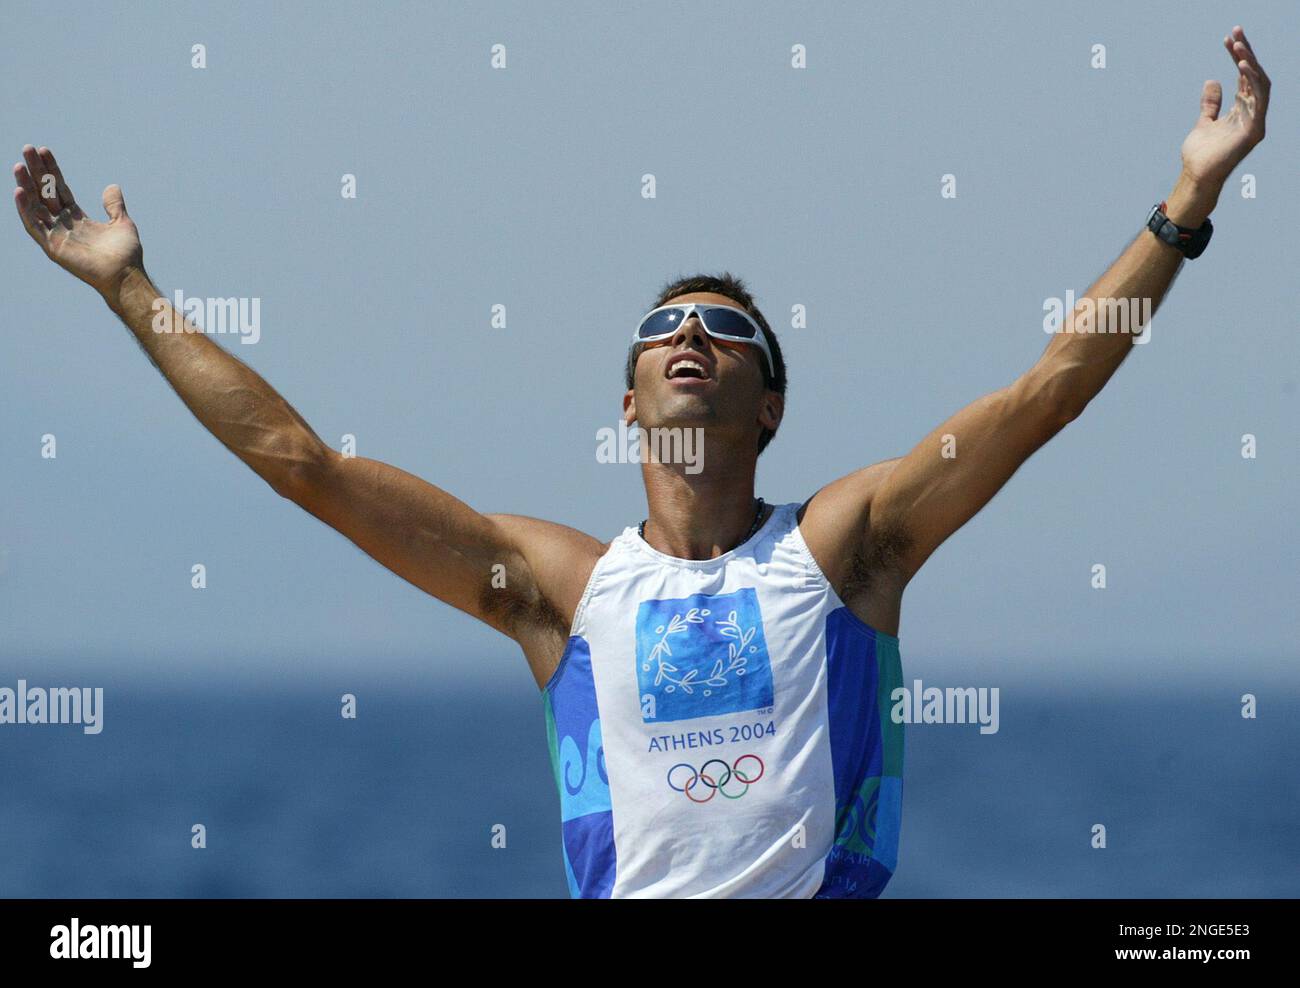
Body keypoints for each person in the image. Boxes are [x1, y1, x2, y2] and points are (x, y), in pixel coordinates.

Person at [12, 27, 1269, 898]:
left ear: (768, 405)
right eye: (664, 327)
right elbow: (302, 465)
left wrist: (1185, 201)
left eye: (725, 330)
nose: (689, 338)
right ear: (626, 405)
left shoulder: (848, 548)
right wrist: (130, 289)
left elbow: (1043, 394)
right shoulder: (558, 589)